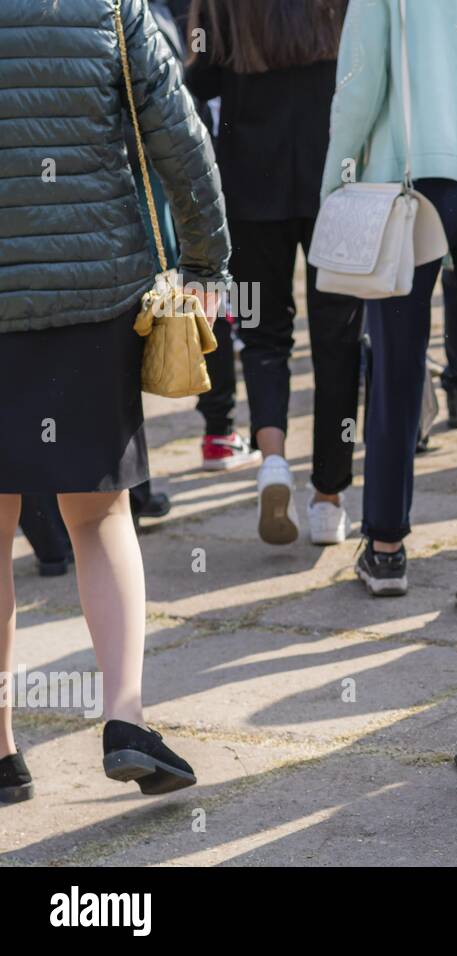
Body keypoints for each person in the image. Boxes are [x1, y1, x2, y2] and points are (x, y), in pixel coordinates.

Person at [1, 0, 229, 801]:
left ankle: (0, 748)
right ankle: (125, 721)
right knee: (98, 517)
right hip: (95, 293)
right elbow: (176, 128)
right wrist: (207, 259)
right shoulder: (109, 4)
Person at [321, 0, 457, 600]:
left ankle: (387, 546)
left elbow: (359, 86)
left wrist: (334, 186)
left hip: (406, 182)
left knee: (396, 369)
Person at [187, 0, 362, 548]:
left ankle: (273, 461)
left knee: (262, 334)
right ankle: (329, 497)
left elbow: (200, 78)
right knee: (337, 338)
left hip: (248, 179)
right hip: (332, 172)